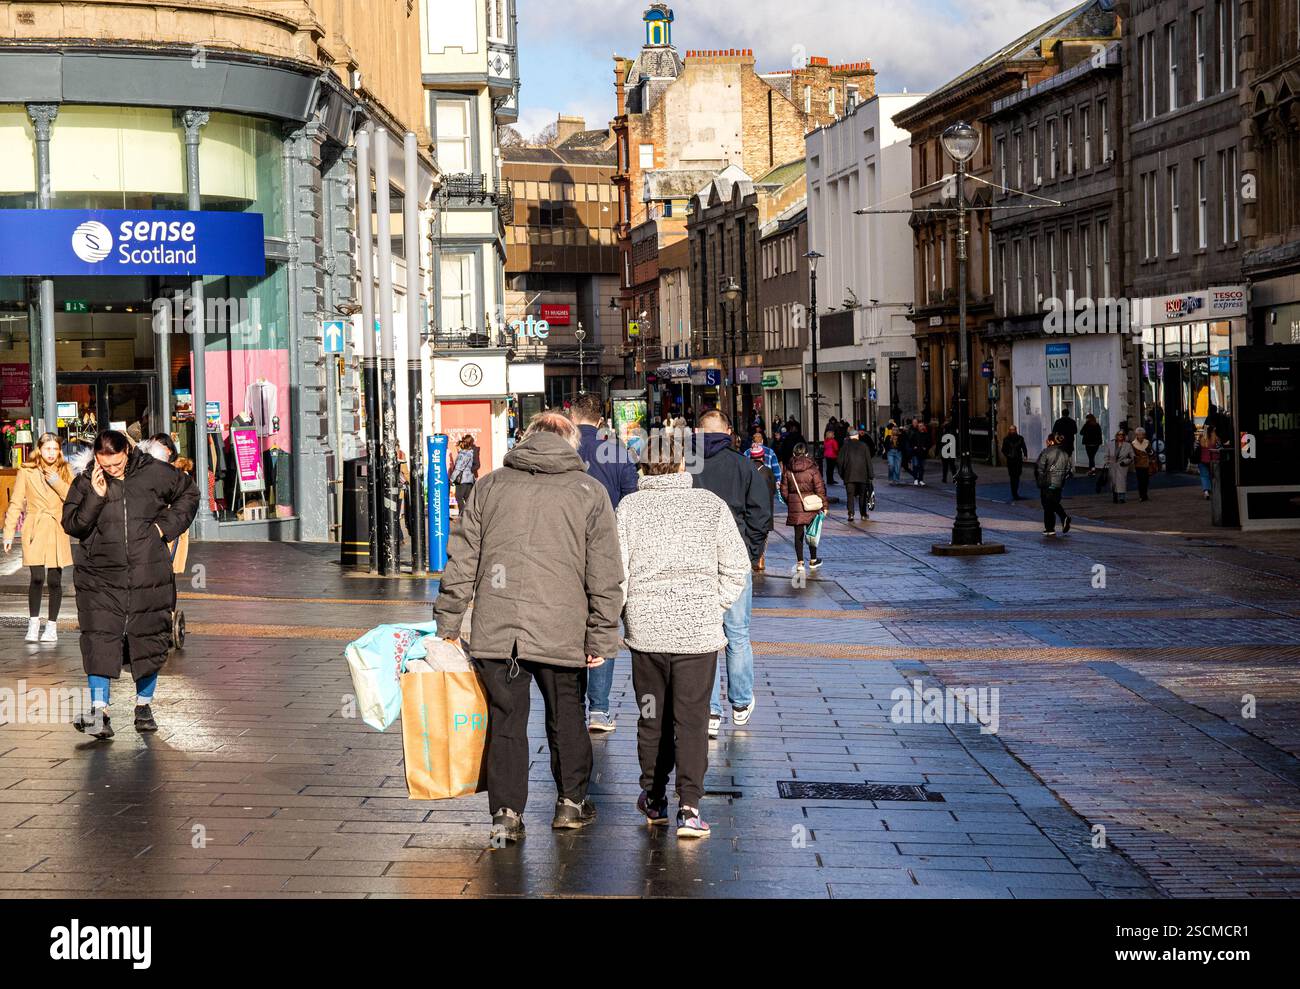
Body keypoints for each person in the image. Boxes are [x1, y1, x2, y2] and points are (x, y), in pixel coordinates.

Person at [433, 412, 624, 843]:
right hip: (562, 629)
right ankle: (571, 803)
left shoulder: (491, 486)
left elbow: (462, 560)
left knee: (505, 721)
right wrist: (602, 635)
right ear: (571, 443)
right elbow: (605, 573)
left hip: (499, 631)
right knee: (567, 717)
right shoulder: (588, 492)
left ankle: (506, 814)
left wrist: (448, 621)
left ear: (528, 439)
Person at [616, 427, 750, 839]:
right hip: (698, 634)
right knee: (691, 720)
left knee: (651, 716)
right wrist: (715, 604)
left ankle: (653, 797)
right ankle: (689, 808)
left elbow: (616, 574)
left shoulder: (630, 508)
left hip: (647, 635)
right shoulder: (709, 505)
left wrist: (625, 613)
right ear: (681, 464)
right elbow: (737, 565)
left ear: (643, 466)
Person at [61, 430, 199, 739]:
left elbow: (189, 493)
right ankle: (99, 712)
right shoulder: (86, 480)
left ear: (128, 451)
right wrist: (95, 497)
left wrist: (164, 529)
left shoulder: (154, 472)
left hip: (147, 571)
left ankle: (144, 707)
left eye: (117, 463)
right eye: (105, 464)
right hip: (98, 576)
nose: (111, 470)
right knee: (99, 638)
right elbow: (72, 524)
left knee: (147, 635)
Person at [692, 410, 770, 739]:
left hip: (698, 562)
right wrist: (750, 553)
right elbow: (761, 513)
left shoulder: (687, 464)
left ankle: (710, 711)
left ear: (698, 431)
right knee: (737, 634)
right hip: (734, 559)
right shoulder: (743, 465)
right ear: (727, 430)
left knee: (705, 638)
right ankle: (740, 703)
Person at [569, 392, 639, 734]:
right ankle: (599, 709)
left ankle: (570, 704)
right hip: (607, 548)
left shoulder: (561, 447)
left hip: (565, 548)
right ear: (601, 419)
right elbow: (632, 500)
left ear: (571, 415)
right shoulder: (617, 450)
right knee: (604, 620)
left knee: (568, 621)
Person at [3, 432, 74, 643]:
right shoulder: (27, 471)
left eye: (55, 449)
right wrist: (8, 533)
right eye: (47, 448)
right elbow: (16, 502)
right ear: (39, 449)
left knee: (54, 579)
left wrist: (57, 482)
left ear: (59, 450)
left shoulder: (65, 470)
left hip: (56, 527)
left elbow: (74, 497)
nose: (51, 453)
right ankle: (33, 622)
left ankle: (51, 626)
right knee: (36, 578)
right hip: (34, 527)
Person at [780, 442, 827, 572]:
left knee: (798, 535)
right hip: (812, 505)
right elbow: (820, 488)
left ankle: (800, 562)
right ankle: (813, 559)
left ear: (794, 454)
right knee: (812, 532)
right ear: (806, 453)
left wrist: (790, 500)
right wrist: (824, 505)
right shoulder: (813, 469)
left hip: (796, 505)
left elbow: (783, 490)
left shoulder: (788, 469)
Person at [746, 431, 782, 572]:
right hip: (766, 505)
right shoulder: (768, 469)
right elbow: (776, 474)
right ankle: (761, 558)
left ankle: (751, 557)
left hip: (749, 504)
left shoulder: (746, 459)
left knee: (749, 531)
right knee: (764, 532)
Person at [1034, 433, 1073, 537]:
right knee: (1053, 502)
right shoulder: (1065, 453)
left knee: (1048, 504)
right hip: (1059, 483)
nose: (1046, 442)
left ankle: (1056, 523)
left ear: (1051, 441)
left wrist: (1040, 482)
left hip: (1048, 482)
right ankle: (1051, 527)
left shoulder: (1046, 452)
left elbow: (1039, 468)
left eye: (1047, 440)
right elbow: (1069, 469)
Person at [837, 427, 874, 522]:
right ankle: (863, 514)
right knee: (862, 495)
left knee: (850, 495)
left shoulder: (845, 447)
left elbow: (840, 462)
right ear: (857, 436)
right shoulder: (864, 446)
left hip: (849, 475)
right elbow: (868, 461)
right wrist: (871, 475)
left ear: (849, 437)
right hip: (862, 475)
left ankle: (851, 514)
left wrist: (842, 474)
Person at [449, 434, 479, 515]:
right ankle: (471, 515)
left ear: (461, 446)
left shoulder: (462, 454)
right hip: (469, 479)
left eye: (457, 447)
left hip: (462, 480)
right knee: (467, 498)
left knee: (458, 497)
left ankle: (462, 515)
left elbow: (458, 468)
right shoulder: (470, 453)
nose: (456, 449)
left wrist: (451, 479)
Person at [1105, 429, 1135, 504]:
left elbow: (1132, 456)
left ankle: (1122, 498)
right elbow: (1106, 455)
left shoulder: (1128, 445)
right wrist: (1107, 462)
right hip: (1112, 465)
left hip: (1122, 466)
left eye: (1122, 435)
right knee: (1113, 482)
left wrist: (1126, 462)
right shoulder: (1110, 444)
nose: (1120, 436)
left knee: (1121, 482)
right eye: (1119, 435)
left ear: (1124, 436)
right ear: (1116, 436)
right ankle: (1114, 496)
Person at [1001, 424, 1029, 501]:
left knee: (1017, 476)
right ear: (1009, 431)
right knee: (1012, 477)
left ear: (1016, 430)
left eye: (1013, 430)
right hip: (1010, 461)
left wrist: (1025, 455)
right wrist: (1008, 455)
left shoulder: (1020, 438)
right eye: (1011, 430)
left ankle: (1015, 492)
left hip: (1018, 460)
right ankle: (1014, 493)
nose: (1012, 431)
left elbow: (1024, 447)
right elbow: (1003, 449)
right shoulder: (1006, 439)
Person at [1131, 427, 1156, 502]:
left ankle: (1145, 494)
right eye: (1139, 434)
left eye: (1142, 434)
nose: (1140, 436)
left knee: (1146, 480)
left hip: (1146, 463)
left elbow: (1152, 453)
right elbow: (1132, 454)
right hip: (1138, 464)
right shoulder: (1133, 444)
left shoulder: (1147, 442)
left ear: (1144, 435)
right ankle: (1141, 495)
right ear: (1136, 435)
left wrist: (1150, 452)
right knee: (1140, 480)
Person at [1195, 424, 1219, 499]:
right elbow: (1219, 448)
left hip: (1202, 460)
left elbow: (1196, 447)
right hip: (1214, 460)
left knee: (1204, 476)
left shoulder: (1201, 438)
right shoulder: (1215, 438)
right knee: (1214, 476)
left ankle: (1206, 492)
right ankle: (1214, 491)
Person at [907, 417, 929, 486]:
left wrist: (926, 447)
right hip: (915, 452)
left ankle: (921, 480)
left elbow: (929, 442)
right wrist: (914, 447)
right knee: (915, 465)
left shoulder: (926, 434)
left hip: (922, 453)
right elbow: (910, 441)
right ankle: (916, 479)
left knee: (921, 467)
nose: (921, 427)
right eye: (919, 426)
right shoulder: (914, 433)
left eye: (922, 426)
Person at [939, 417, 958, 483]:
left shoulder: (944, 430)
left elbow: (940, 441)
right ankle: (954, 478)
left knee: (946, 466)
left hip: (946, 449)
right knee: (952, 466)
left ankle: (945, 478)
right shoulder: (952, 430)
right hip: (950, 449)